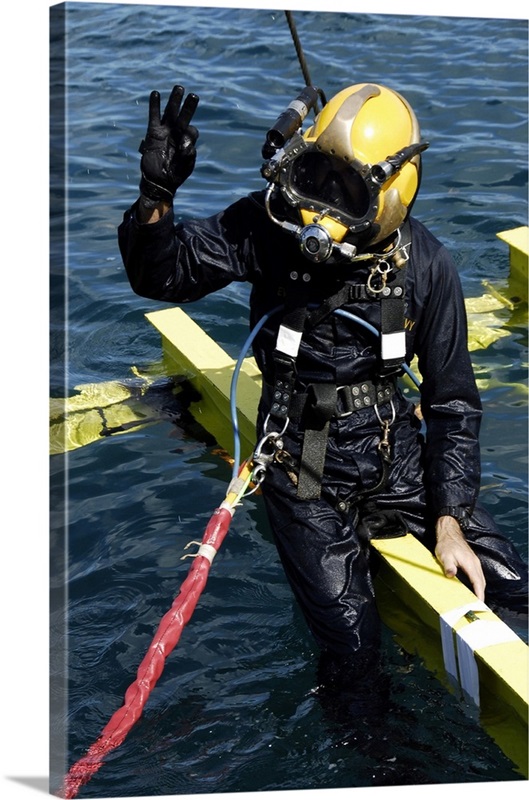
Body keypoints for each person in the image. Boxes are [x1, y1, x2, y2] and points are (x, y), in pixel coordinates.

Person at [118, 83, 528, 701]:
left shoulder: (427, 265)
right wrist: (157, 196)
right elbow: (162, 275)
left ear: (391, 196)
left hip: (397, 451)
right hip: (303, 453)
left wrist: (448, 525)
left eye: (347, 193)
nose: (317, 214)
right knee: (354, 653)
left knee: (511, 587)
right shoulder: (269, 227)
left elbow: (451, 404)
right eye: (314, 179)